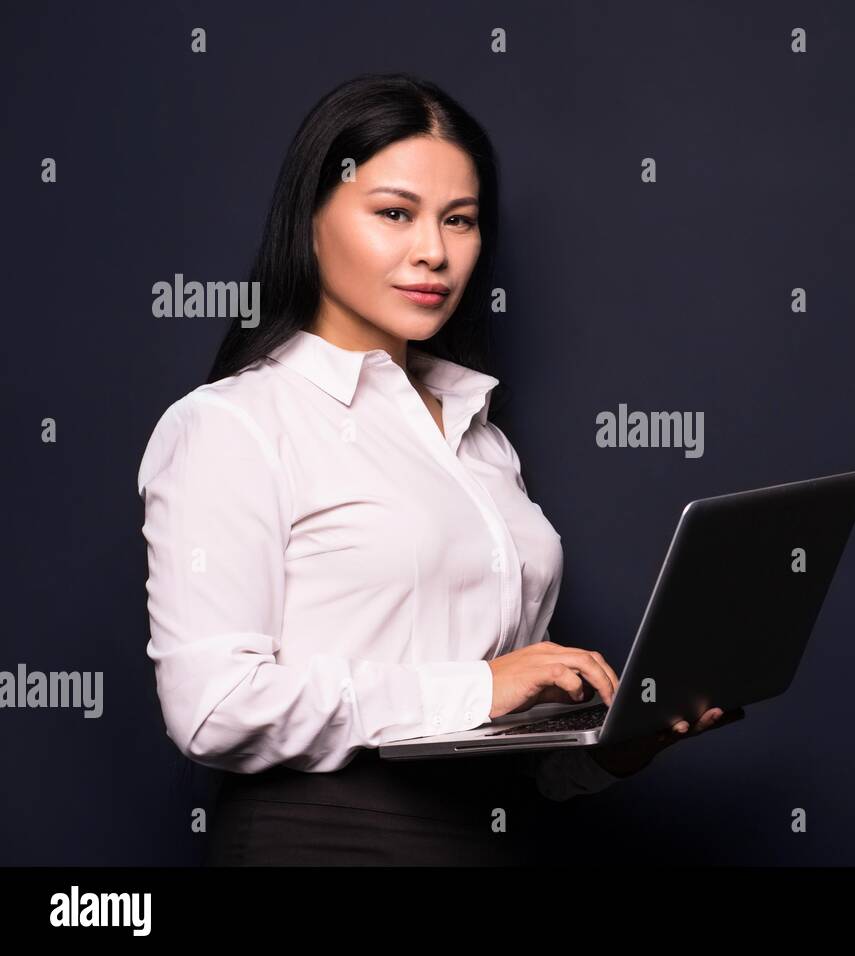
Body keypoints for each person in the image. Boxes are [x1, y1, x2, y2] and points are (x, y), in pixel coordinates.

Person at [136, 73, 741, 866]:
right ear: (310, 221)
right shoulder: (231, 426)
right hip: (321, 846)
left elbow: (497, 743)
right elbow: (211, 709)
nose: (434, 252)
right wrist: (479, 685)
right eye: (394, 213)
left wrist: (608, 751)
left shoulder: (478, 436)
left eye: (460, 221)